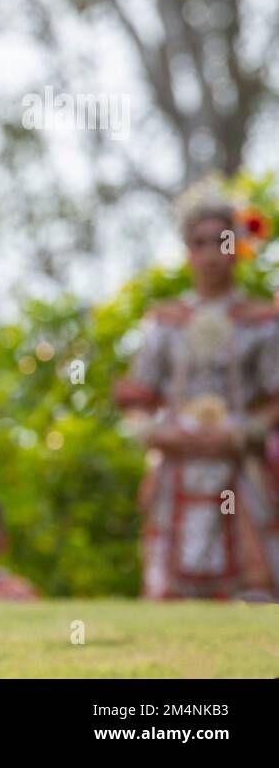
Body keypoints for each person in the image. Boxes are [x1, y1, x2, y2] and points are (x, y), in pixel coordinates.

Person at [114, 183, 279, 601]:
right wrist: (155, 433)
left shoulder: (260, 321)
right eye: (199, 243)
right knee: (171, 578)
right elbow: (139, 396)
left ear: (238, 245)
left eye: (220, 242)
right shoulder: (164, 322)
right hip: (176, 464)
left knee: (252, 581)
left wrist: (246, 432)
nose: (210, 254)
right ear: (187, 249)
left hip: (240, 463)